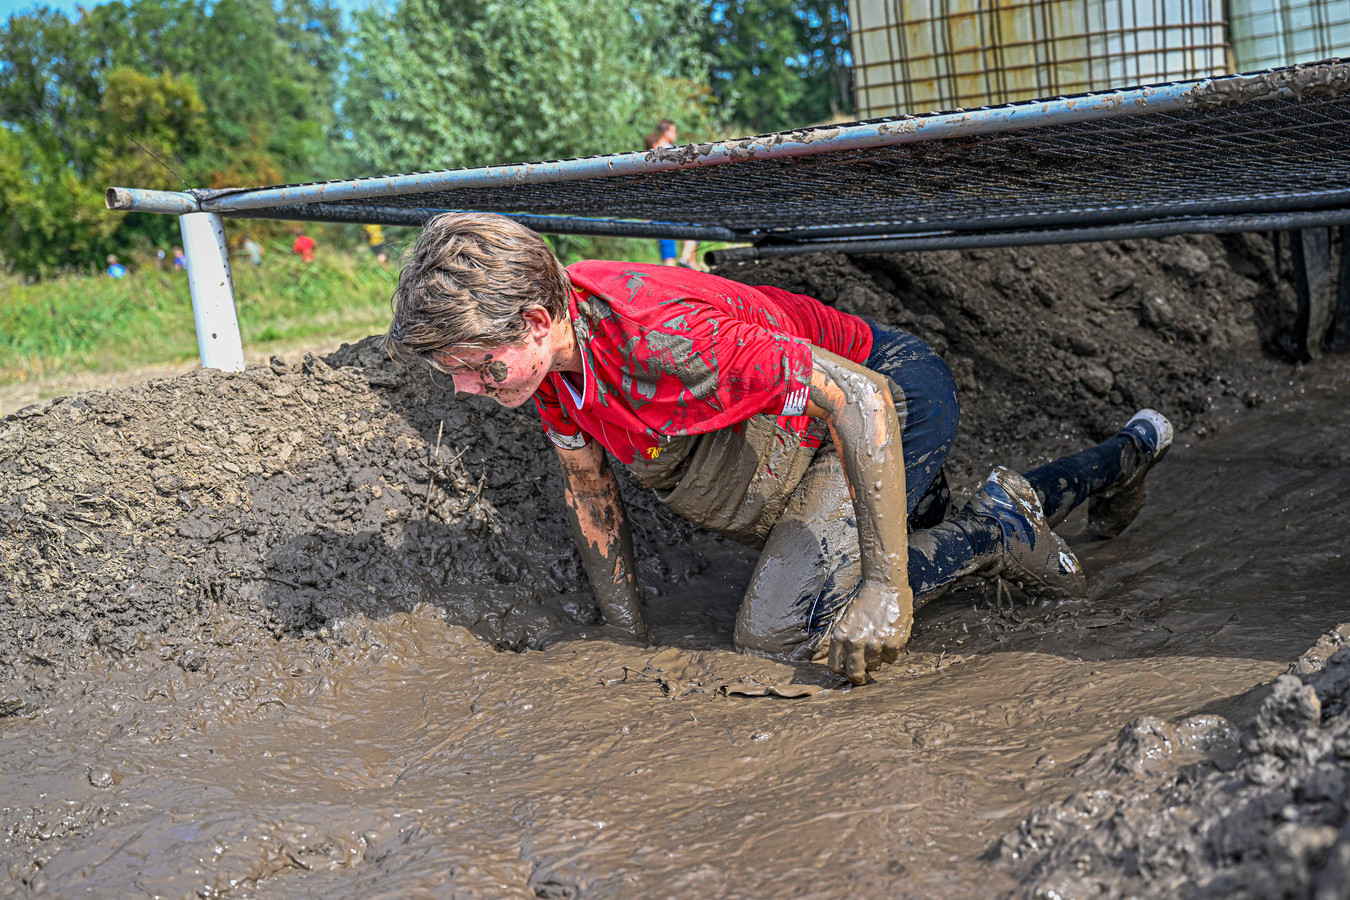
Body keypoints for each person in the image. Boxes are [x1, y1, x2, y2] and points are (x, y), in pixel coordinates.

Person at [384, 213, 1173, 684]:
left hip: (888, 394)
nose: (466, 389)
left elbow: (859, 395)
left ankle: (996, 531)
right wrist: (624, 642)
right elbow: (589, 490)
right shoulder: (551, 372)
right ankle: (1131, 451)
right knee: (893, 543)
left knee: (775, 629)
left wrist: (886, 588)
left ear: (531, 318)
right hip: (818, 431)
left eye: (474, 366)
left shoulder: (661, 335)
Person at [644, 119, 700, 270]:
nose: (675, 134)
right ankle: (686, 260)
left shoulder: (647, 152)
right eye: (673, 131)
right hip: (675, 197)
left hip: (658, 198)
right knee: (692, 225)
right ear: (667, 132)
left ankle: (672, 270)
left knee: (666, 235)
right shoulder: (670, 150)